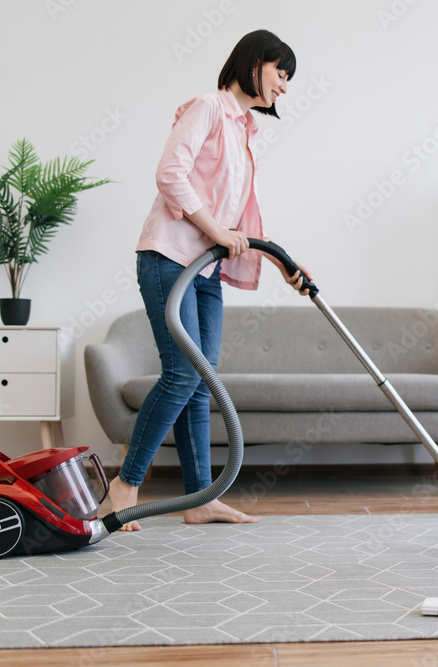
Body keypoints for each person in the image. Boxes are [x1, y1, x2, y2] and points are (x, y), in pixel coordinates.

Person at [108, 30, 309, 531]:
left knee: (202, 383)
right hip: (169, 258)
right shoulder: (206, 107)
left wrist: (286, 267)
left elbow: (242, 218)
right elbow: (170, 174)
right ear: (256, 62)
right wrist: (217, 231)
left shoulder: (243, 130)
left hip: (206, 270)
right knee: (182, 374)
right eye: (280, 74)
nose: (283, 87)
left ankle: (200, 499)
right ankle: (125, 483)